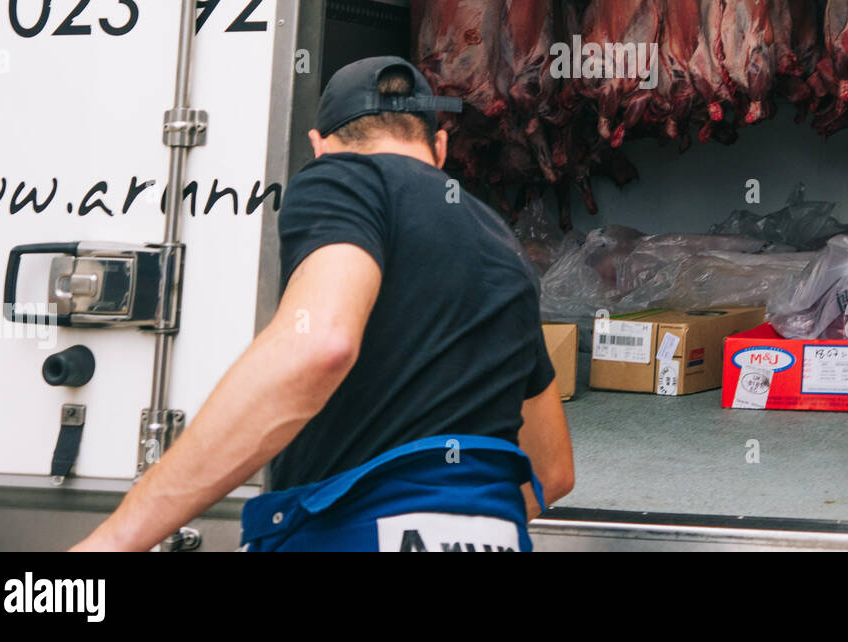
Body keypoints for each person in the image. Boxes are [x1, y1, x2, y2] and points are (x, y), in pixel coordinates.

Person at [72, 56, 573, 552]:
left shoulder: (345, 178)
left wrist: (112, 544)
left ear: (319, 147)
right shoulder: (502, 245)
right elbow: (551, 471)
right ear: (439, 147)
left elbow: (322, 345)